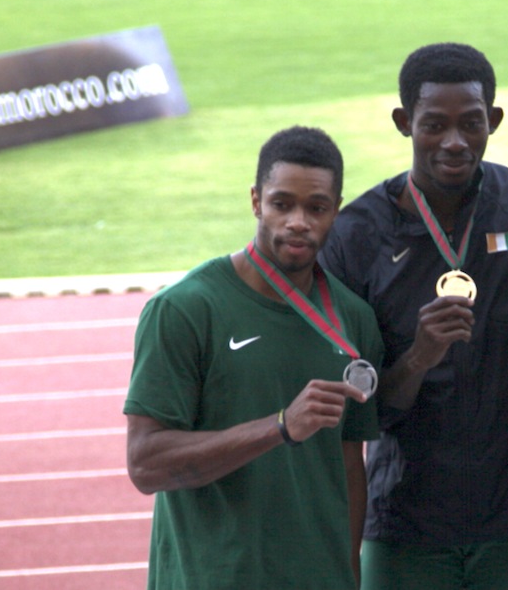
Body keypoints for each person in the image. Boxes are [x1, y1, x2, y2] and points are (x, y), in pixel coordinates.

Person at [319, 42, 508, 590]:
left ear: (495, 121)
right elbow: (352, 411)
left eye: (471, 124)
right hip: (405, 525)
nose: (454, 142)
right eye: (434, 125)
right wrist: (416, 358)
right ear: (403, 122)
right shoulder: (356, 235)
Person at [124, 126, 382, 589]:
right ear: (256, 201)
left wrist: (349, 572)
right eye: (282, 204)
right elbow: (145, 464)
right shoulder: (184, 310)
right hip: (213, 577)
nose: (298, 221)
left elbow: (349, 465)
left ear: (335, 212)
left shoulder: (354, 319)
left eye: (316, 207)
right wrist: (280, 426)